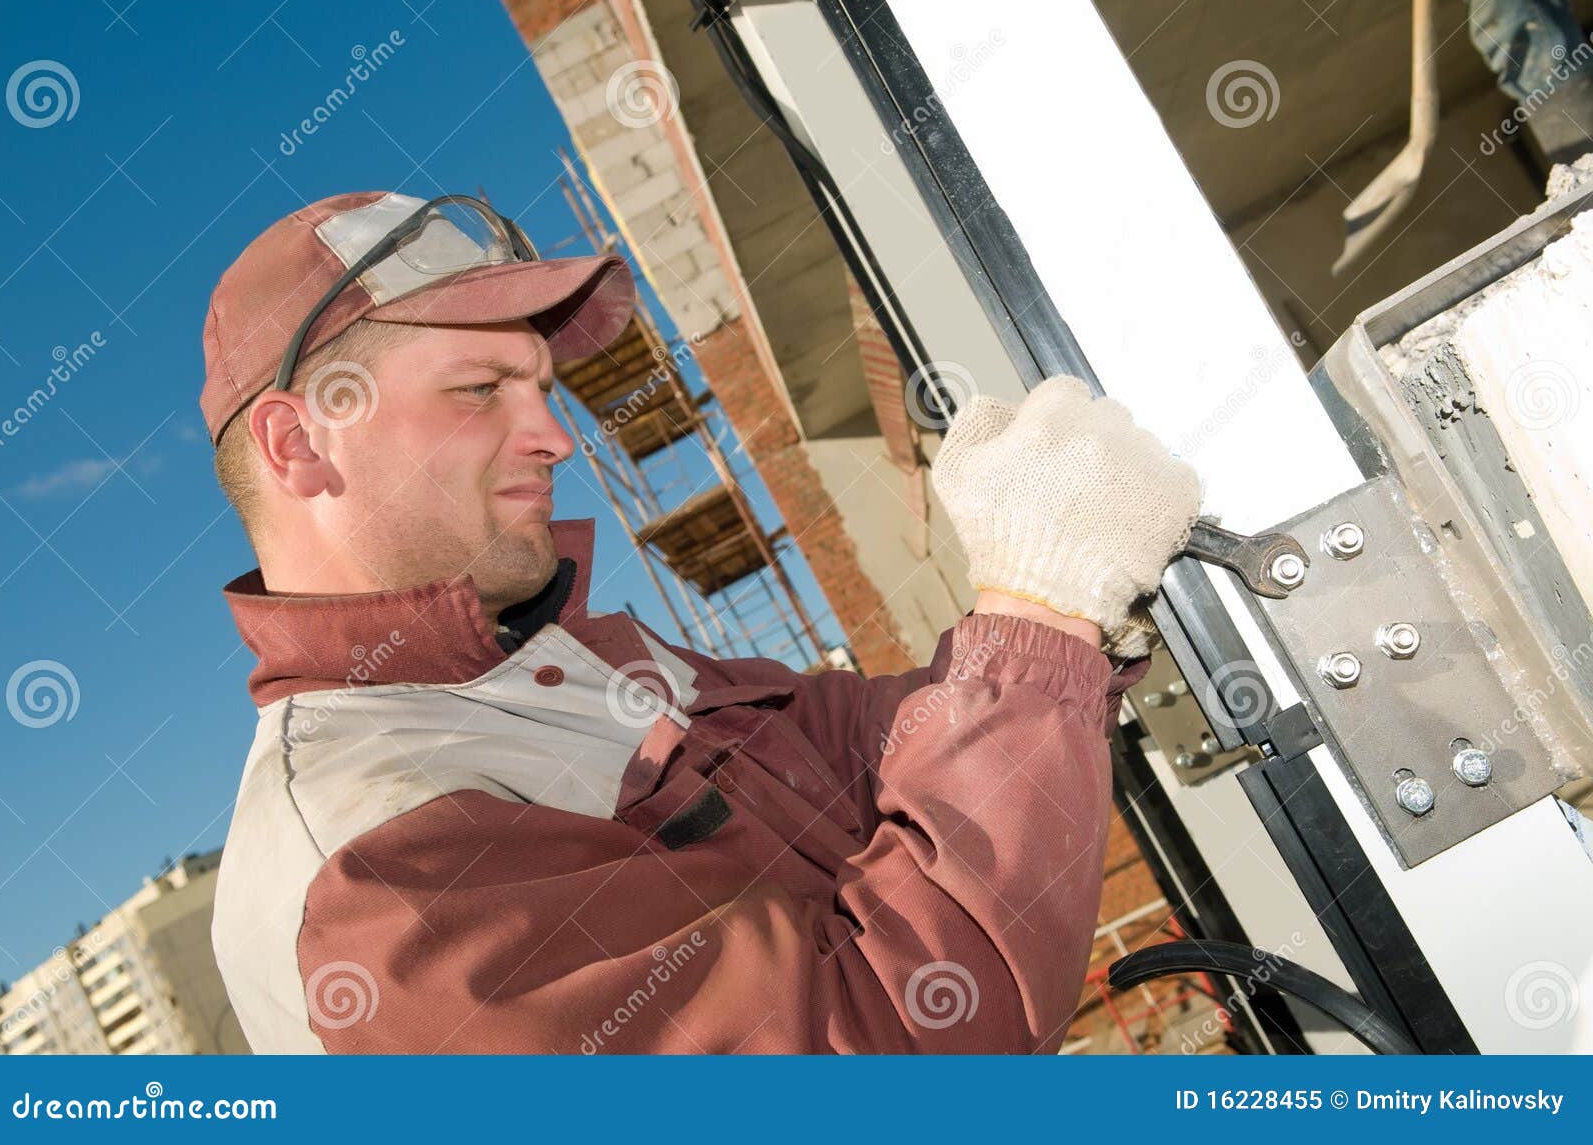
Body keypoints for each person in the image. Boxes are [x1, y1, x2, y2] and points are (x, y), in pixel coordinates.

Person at [202, 190, 1201, 1053]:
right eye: (479, 392)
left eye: (544, 393)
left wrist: (1030, 625)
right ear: (297, 444)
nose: (555, 438)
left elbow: (869, 744)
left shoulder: (584, 670)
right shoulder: (371, 853)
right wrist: (1039, 610)